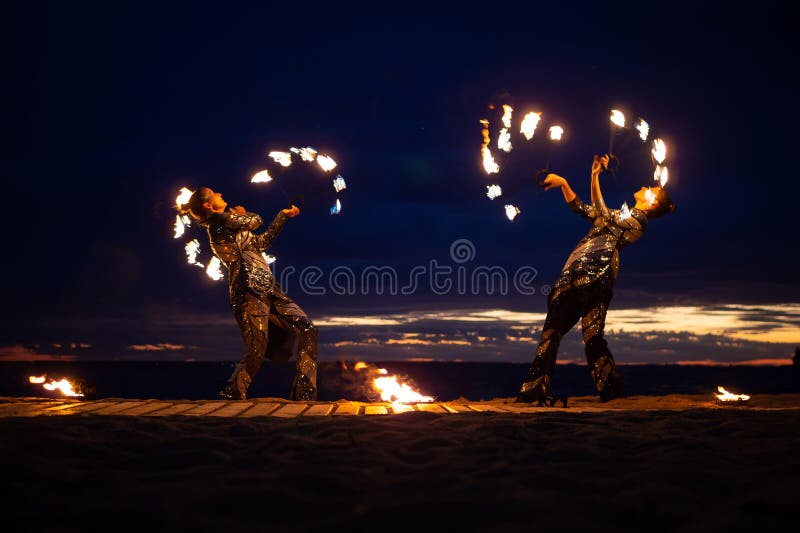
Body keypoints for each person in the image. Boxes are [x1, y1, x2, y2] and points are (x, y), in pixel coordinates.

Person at [517, 154, 675, 404]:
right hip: (570, 275)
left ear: (653, 201)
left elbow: (600, 210)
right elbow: (583, 208)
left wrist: (594, 176)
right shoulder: (616, 215)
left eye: (650, 188)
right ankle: (533, 392)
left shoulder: (637, 221)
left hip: (596, 278)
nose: (645, 186)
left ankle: (611, 392)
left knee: (592, 335)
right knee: (550, 334)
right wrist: (565, 183)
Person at [179, 187, 318, 401]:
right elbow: (256, 221)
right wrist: (243, 215)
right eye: (216, 194)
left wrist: (282, 216)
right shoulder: (219, 223)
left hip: (269, 288)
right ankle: (232, 391)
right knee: (256, 348)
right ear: (208, 205)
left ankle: (305, 392)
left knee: (307, 328)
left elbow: (261, 242)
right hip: (247, 291)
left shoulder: (230, 224)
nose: (221, 194)